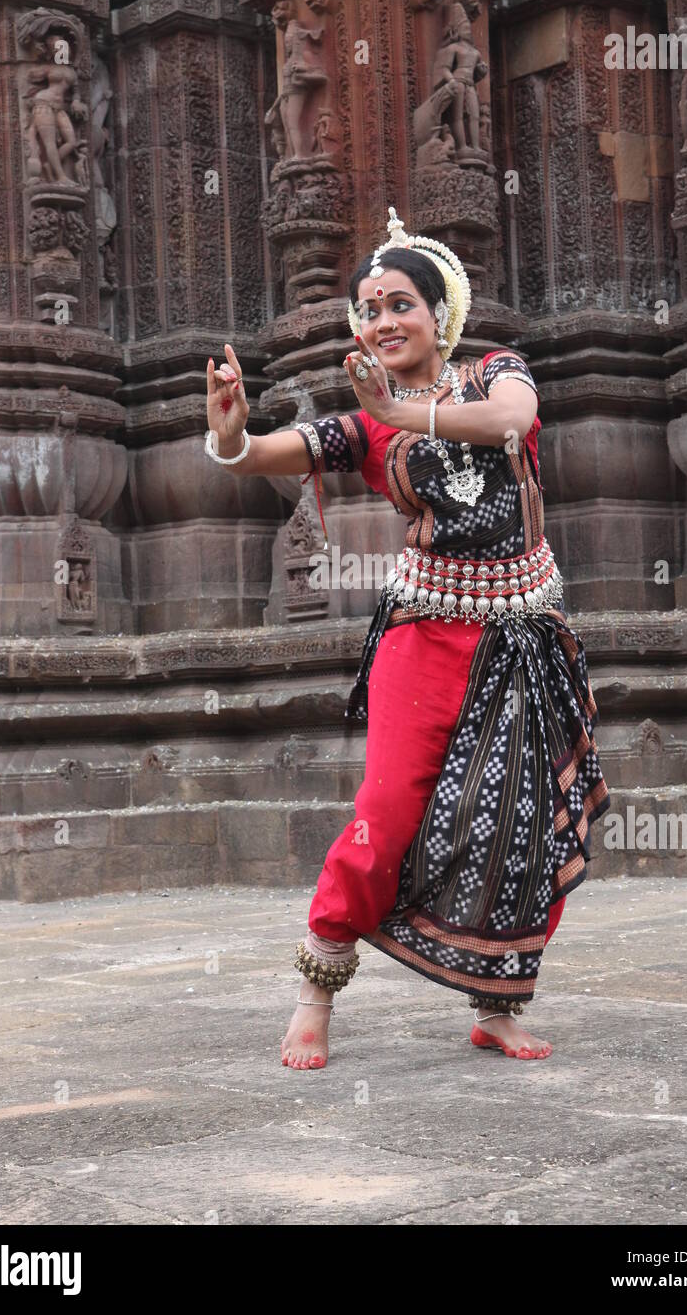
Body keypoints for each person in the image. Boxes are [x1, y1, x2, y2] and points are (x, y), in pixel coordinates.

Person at [204, 207, 611, 1070]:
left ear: (440, 315)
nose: (382, 322)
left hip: (523, 640)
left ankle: (496, 1004)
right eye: (368, 310)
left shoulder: (496, 372)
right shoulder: (365, 423)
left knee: (523, 822)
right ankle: (315, 993)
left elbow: (510, 424)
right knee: (385, 814)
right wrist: (231, 429)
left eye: (399, 304)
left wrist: (403, 409)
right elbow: (264, 455)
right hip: (424, 638)